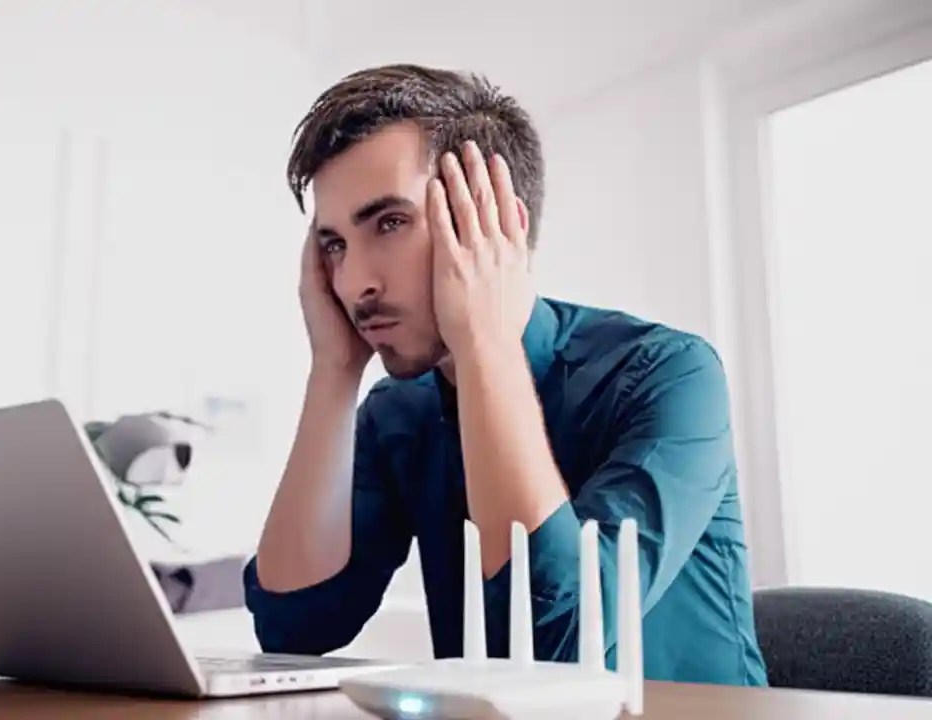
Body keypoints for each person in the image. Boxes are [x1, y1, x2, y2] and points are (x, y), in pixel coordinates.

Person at [243, 64, 768, 687]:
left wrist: (484, 342)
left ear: (499, 225)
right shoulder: (397, 413)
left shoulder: (671, 373)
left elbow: (558, 644)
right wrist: (333, 370)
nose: (355, 284)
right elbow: (293, 629)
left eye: (389, 223)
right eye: (334, 245)